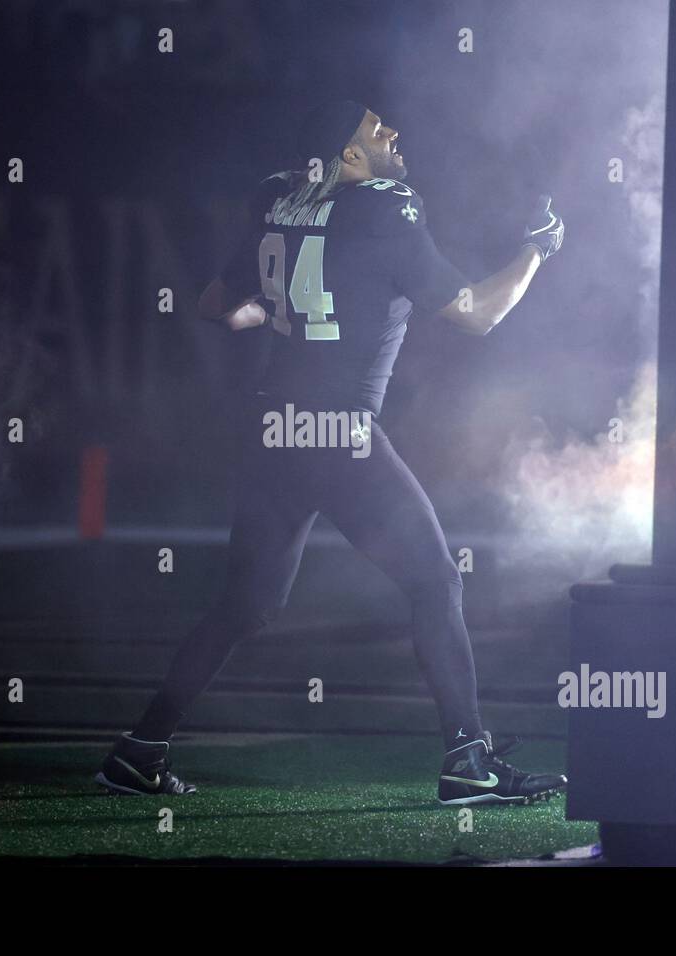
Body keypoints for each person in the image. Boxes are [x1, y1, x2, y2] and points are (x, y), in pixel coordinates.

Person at [97, 100, 567, 805]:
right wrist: (538, 251)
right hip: (337, 432)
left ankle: (140, 749)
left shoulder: (277, 200)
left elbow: (215, 305)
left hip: (274, 431)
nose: (393, 134)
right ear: (348, 154)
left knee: (245, 604)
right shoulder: (386, 205)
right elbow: (477, 314)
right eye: (376, 129)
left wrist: (275, 311)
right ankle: (467, 761)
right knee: (435, 580)